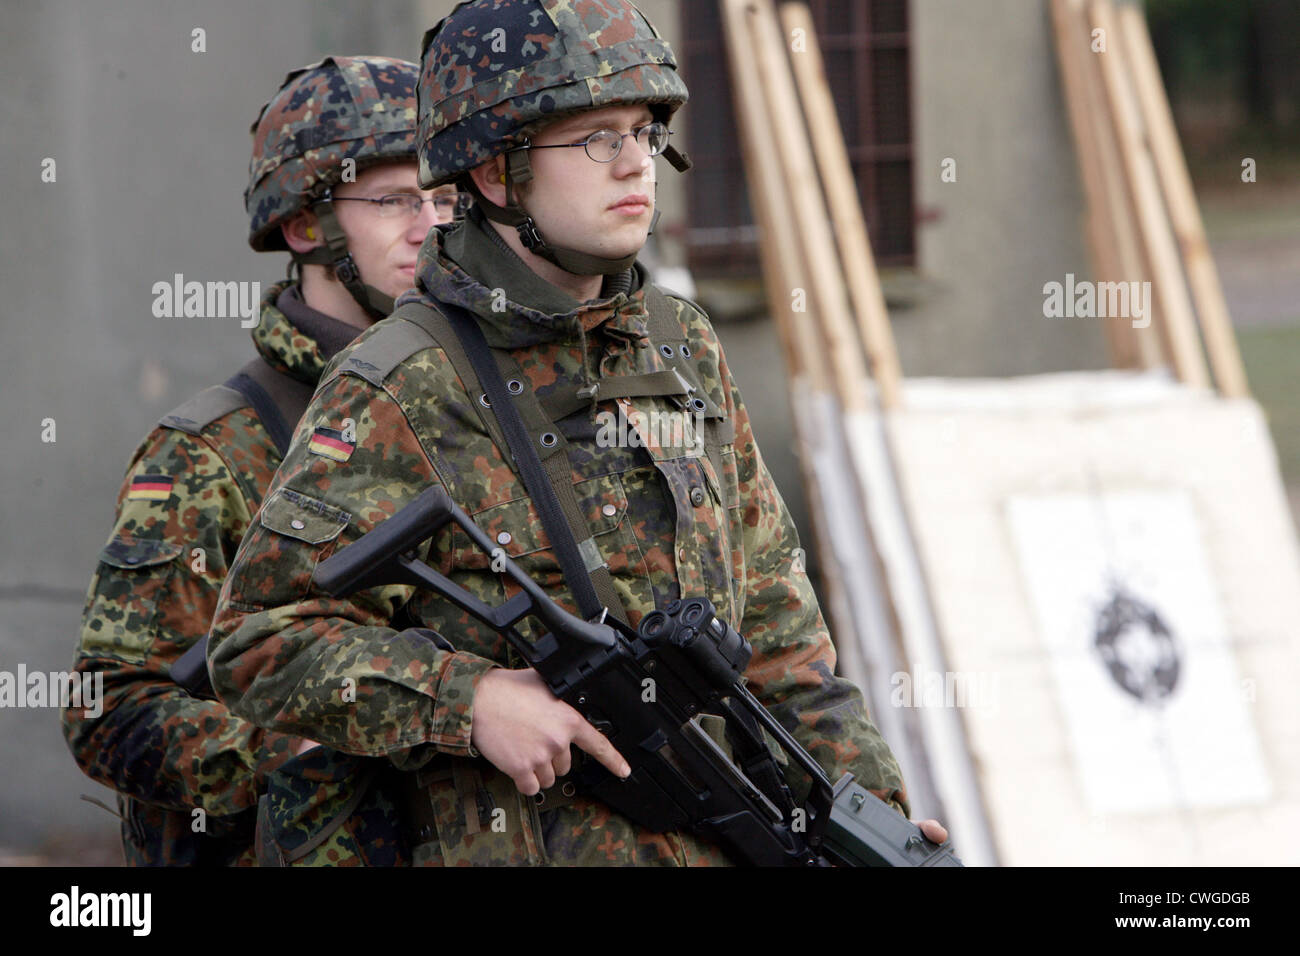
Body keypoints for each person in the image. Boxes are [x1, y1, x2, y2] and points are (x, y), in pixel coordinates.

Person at [209, 0, 946, 866]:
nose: (637, 163)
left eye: (643, 129)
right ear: (495, 173)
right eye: (597, 138)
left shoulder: (683, 346)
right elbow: (258, 641)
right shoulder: (403, 381)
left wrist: (877, 822)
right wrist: (468, 701)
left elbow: (783, 642)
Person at [61, 54, 458, 865]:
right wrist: (306, 759)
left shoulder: (474, 410)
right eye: (393, 200)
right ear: (306, 226)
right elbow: (108, 710)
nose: (431, 224)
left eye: (444, 197)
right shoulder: (213, 450)